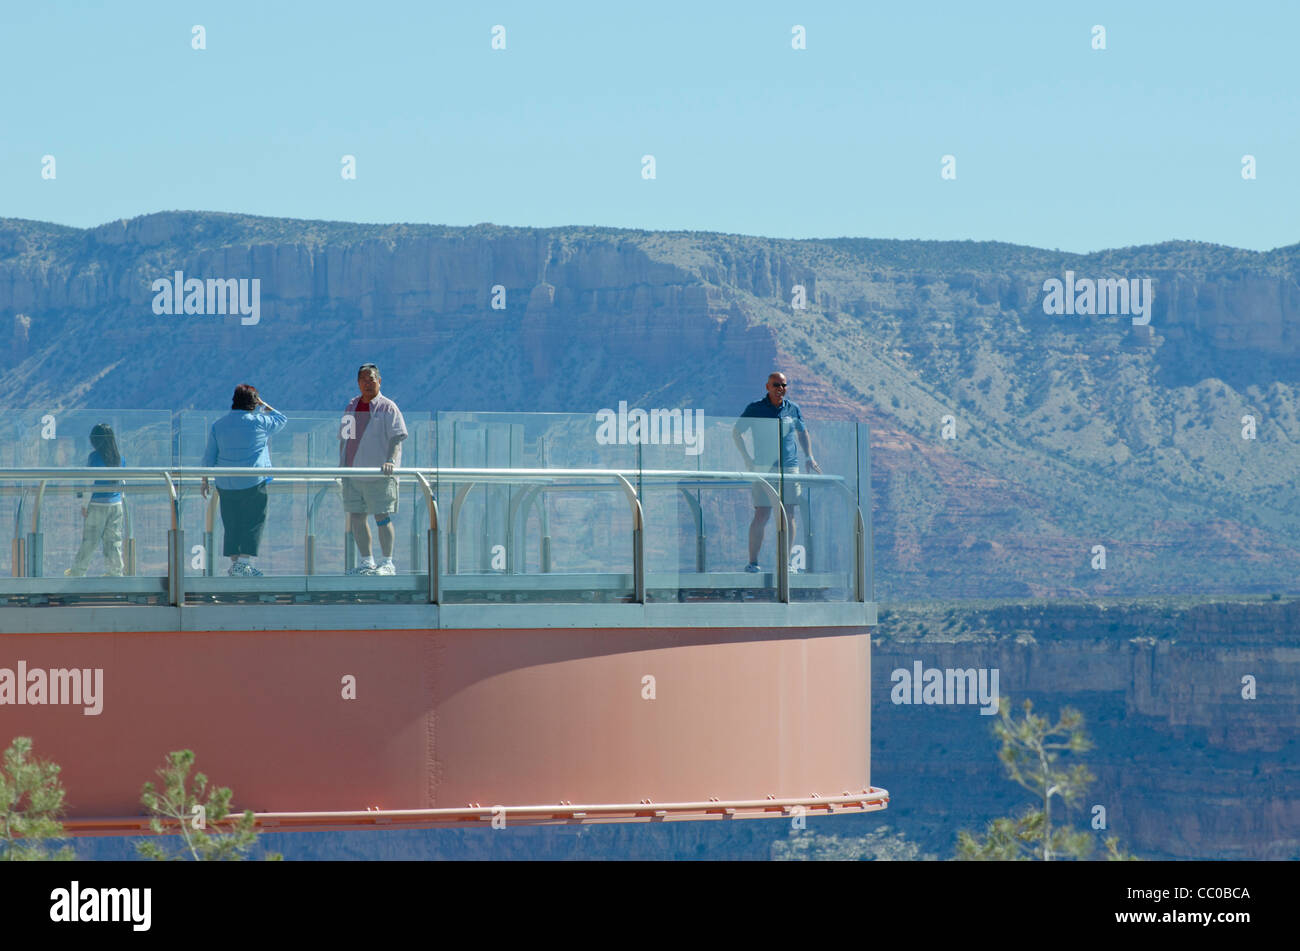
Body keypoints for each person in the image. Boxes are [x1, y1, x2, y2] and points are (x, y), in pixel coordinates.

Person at [731, 372, 821, 573]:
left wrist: (809, 456)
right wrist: (747, 459)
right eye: (776, 385)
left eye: (784, 385)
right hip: (764, 468)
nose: (781, 388)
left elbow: (802, 432)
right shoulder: (755, 408)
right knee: (762, 513)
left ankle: (786, 563)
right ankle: (753, 562)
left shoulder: (793, 408)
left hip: (789, 467)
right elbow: (737, 432)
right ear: (767, 387)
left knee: (788, 513)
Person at [200, 384, 287, 576]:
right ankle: (244, 563)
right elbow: (281, 419)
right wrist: (265, 405)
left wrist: (204, 479)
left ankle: (236, 565)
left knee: (232, 523)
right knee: (253, 521)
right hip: (253, 482)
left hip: (226, 484)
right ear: (254, 402)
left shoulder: (219, 425)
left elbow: (209, 456)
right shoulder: (259, 422)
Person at [339, 363, 407, 576]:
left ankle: (387, 562)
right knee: (357, 517)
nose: (368, 384)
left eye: (372, 379)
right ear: (358, 383)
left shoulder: (388, 407)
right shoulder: (351, 406)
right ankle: (366, 562)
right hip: (353, 474)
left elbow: (397, 438)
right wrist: (342, 467)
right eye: (364, 380)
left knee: (382, 516)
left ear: (379, 381)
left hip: (379, 474)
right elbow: (346, 437)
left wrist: (391, 462)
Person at [65, 423, 125, 577]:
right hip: (116, 504)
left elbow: (89, 483)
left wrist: (85, 505)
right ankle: (115, 573)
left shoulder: (94, 457)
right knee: (113, 541)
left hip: (97, 504)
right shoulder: (119, 458)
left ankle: (78, 572)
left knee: (90, 540)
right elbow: (123, 482)